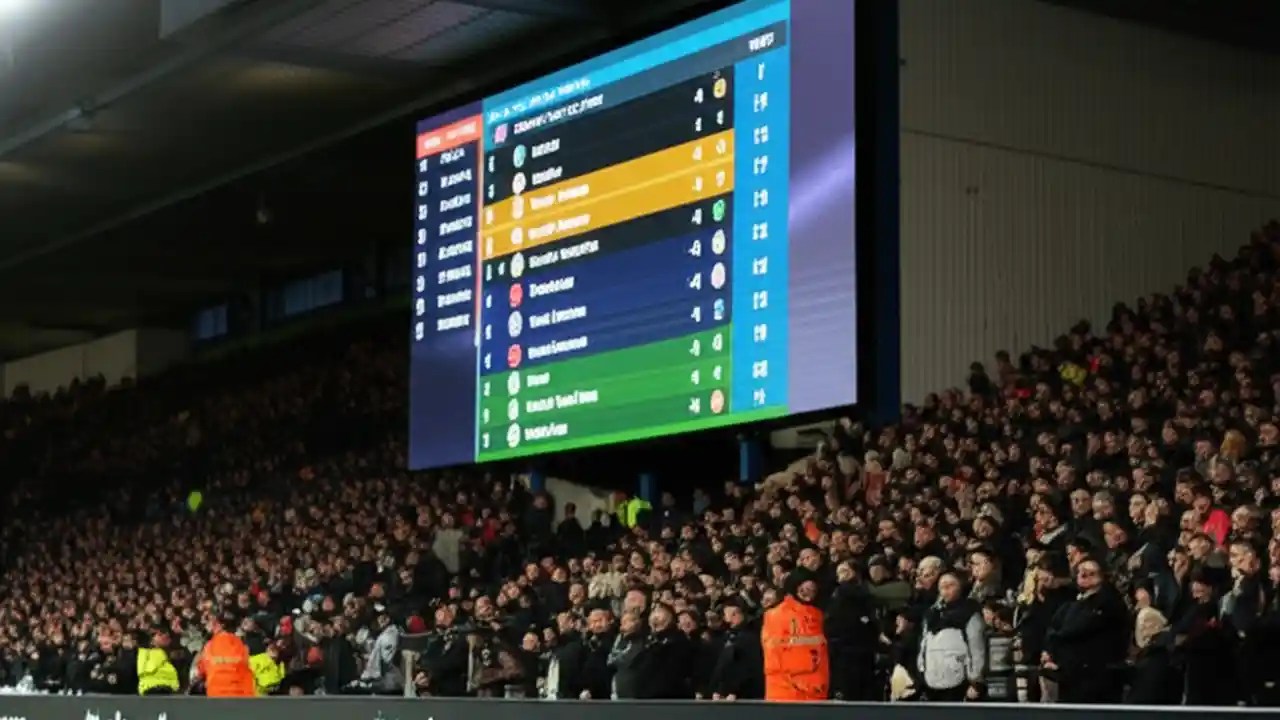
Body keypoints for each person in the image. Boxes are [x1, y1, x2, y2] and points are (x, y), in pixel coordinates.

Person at [917, 573, 986, 701]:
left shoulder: (969, 612)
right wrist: (921, 673)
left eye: (951, 585)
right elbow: (923, 646)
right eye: (942, 587)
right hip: (931, 681)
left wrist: (976, 682)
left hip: (960, 683)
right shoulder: (931, 614)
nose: (946, 590)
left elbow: (977, 648)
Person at [762, 569, 829, 701]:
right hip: (787, 690)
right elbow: (774, 655)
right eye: (804, 589)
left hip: (816, 691)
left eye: (812, 589)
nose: (808, 594)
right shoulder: (777, 614)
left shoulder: (818, 615)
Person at [195, 611, 255, 697]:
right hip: (242, 694)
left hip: (217, 695)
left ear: (219, 625)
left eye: (210, 621)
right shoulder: (242, 645)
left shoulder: (209, 646)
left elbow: (200, 671)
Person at [136, 628, 180, 696]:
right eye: (160, 635)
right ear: (151, 641)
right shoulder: (145, 655)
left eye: (167, 635)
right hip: (152, 692)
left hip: (172, 693)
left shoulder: (178, 655)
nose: (164, 636)